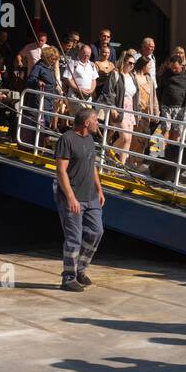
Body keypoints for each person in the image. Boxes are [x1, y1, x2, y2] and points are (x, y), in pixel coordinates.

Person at [53, 107, 106, 292]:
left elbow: (92, 167)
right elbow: (61, 170)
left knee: (96, 232)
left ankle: (80, 270)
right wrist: (70, 198)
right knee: (73, 239)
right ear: (86, 123)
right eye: (96, 120)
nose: (97, 123)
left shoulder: (90, 139)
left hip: (91, 196)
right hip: (73, 197)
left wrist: (99, 189)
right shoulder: (67, 139)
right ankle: (68, 278)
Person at [156, 54, 186, 139]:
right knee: (165, 130)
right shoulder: (166, 73)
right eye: (172, 67)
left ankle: (174, 150)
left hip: (181, 107)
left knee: (177, 132)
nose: (173, 70)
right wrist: (158, 102)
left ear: (181, 65)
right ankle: (165, 150)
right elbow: (160, 88)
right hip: (166, 106)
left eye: (176, 68)